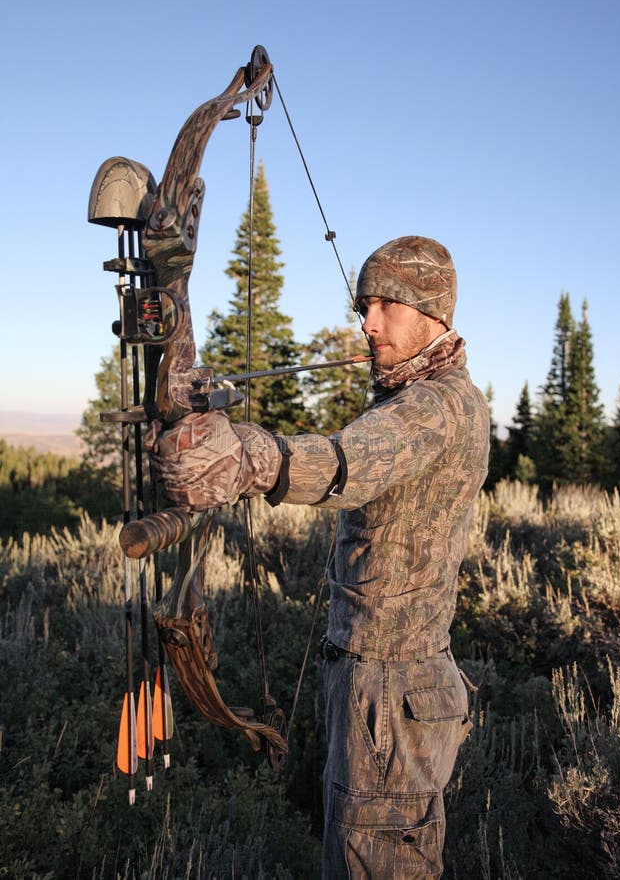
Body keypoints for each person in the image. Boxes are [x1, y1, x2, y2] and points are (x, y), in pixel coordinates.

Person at [147, 236, 490, 879]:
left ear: (435, 313)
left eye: (388, 304)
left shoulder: (435, 407)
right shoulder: (418, 398)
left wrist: (248, 456)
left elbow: (347, 463)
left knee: (377, 862)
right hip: (381, 687)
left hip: (391, 691)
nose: (369, 323)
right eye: (365, 304)